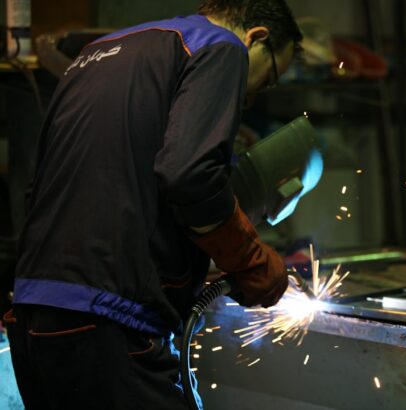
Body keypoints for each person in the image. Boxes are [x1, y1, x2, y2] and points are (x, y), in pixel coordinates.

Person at [3, 1, 303, 408]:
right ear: (256, 38)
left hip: (33, 314)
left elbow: (49, 186)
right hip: (109, 321)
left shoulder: (98, 52)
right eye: (268, 79)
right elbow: (190, 176)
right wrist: (250, 259)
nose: (252, 97)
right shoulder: (222, 46)